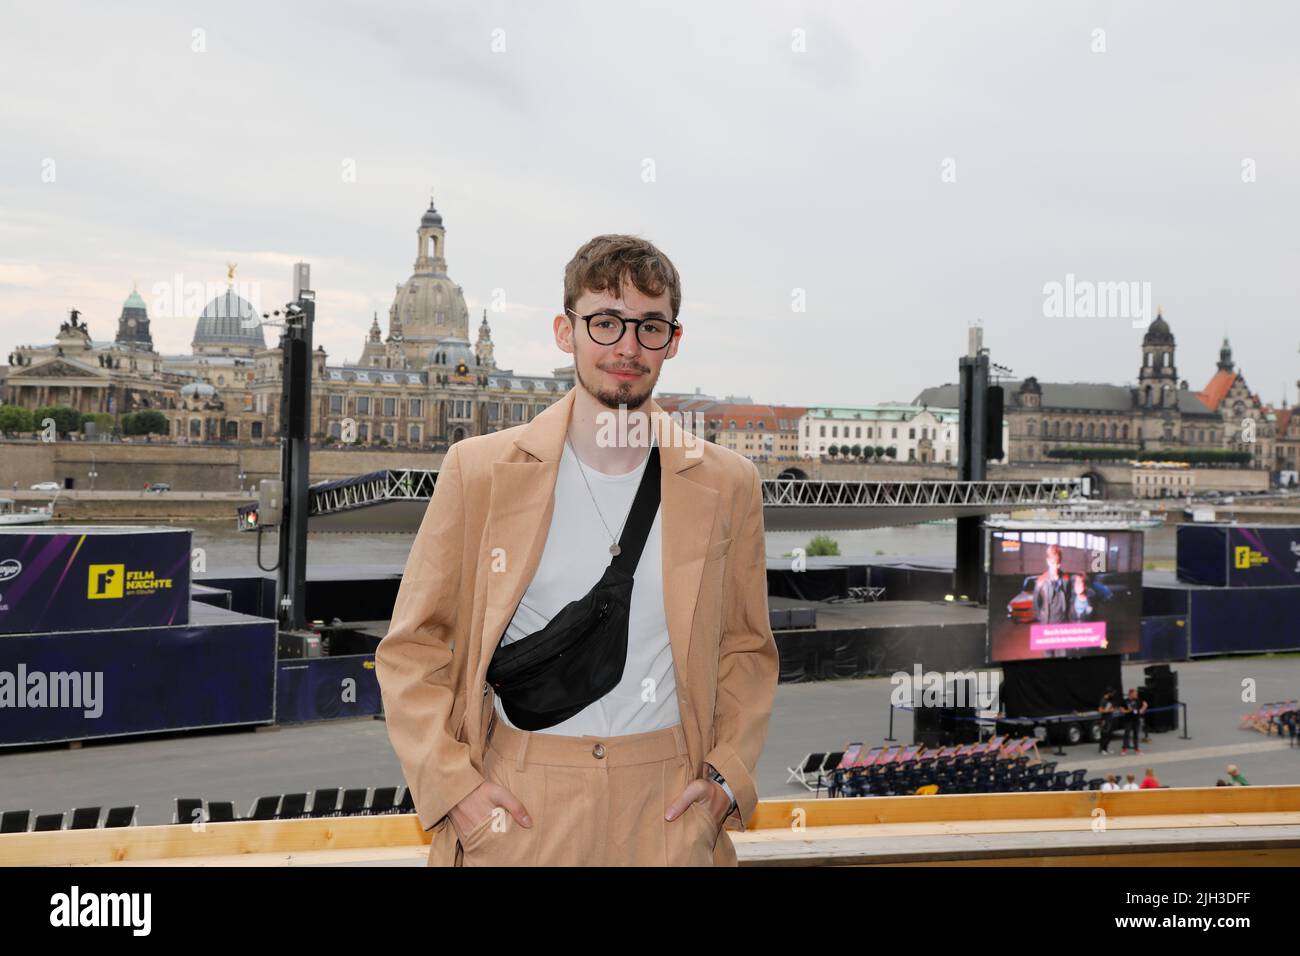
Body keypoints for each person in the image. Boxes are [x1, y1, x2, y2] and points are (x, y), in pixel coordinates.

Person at [376, 234, 779, 867]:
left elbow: (747, 648)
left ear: (673, 341)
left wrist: (725, 781)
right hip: (521, 804)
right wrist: (458, 792)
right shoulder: (478, 471)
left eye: (650, 327)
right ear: (566, 331)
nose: (627, 346)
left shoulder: (729, 483)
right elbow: (411, 649)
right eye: (605, 322)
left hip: (669, 806)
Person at [1121, 687, 1145, 754]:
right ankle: (1124, 749)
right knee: (1127, 734)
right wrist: (1128, 711)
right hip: (1128, 720)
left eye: (1136, 693)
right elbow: (1122, 710)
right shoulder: (1125, 701)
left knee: (1136, 734)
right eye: (1135, 693)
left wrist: (1141, 710)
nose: (1136, 694)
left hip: (1136, 720)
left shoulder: (1138, 700)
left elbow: (1145, 704)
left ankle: (1136, 748)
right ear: (1131, 694)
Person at [1098, 688, 1118, 755]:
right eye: (1112, 693)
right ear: (1108, 693)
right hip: (1105, 720)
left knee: (1110, 735)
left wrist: (1113, 709)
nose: (1113, 695)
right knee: (1105, 735)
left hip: (1110, 719)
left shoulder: (1110, 700)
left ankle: (1106, 748)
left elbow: (1112, 708)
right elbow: (1100, 710)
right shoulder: (1103, 700)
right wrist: (1109, 710)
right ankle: (1102, 749)